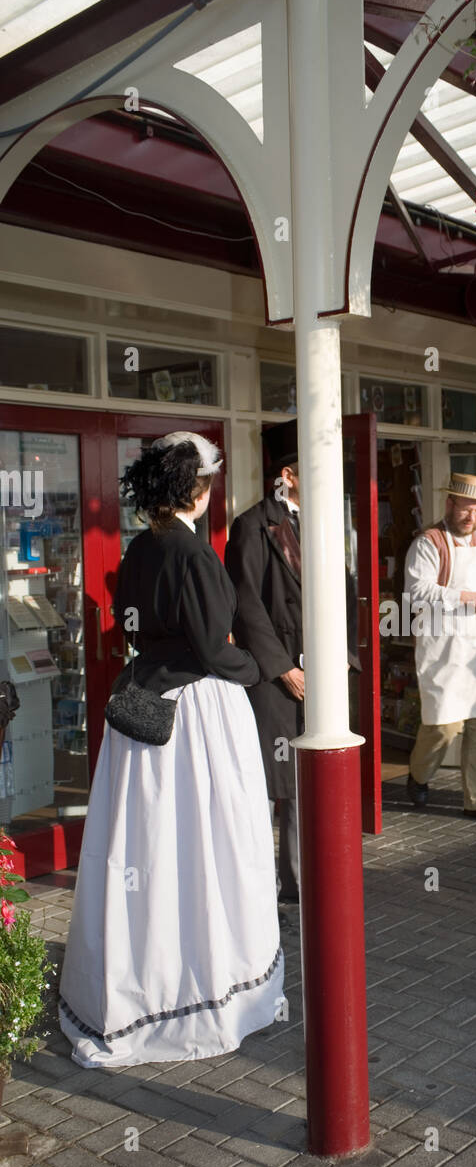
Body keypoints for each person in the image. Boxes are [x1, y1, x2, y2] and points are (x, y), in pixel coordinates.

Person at [59, 433, 284, 1068]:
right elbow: (214, 649)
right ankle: (205, 983)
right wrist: (256, 670)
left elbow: (133, 624)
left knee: (149, 841)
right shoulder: (194, 553)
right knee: (208, 841)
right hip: (197, 715)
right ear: (198, 489)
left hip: (144, 707)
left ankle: (143, 973)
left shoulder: (139, 549)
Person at [225, 422, 304, 906]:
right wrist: (282, 668)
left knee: (310, 778)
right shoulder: (251, 524)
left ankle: (303, 881)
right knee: (279, 783)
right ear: (289, 474)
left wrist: (338, 659)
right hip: (276, 676)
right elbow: (246, 604)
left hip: (317, 673)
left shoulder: (319, 520)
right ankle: (278, 884)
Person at [405, 471, 476, 822]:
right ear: (450, 503)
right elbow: (416, 592)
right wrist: (463, 597)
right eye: (466, 510)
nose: (472, 518)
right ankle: (419, 774)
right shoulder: (428, 543)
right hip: (446, 649)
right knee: (443, 726)